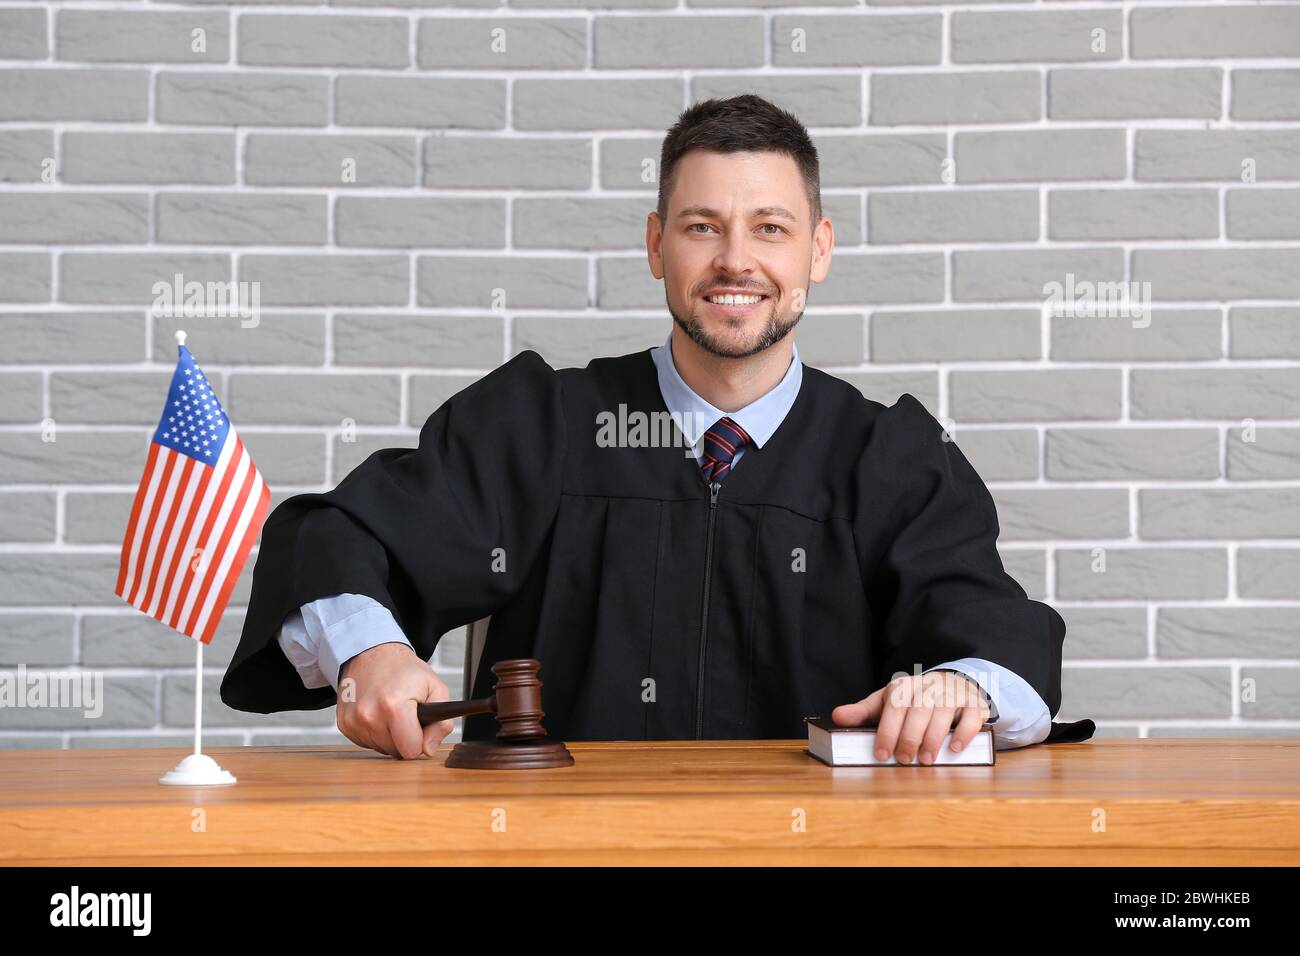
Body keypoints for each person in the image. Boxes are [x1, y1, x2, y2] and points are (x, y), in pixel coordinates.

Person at [221, 94, 1088, 761]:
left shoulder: (887, 460)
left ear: (817, 250)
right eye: (701, 227)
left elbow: (993, 631)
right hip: (555, 858)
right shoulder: (546, 426)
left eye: (771, 229)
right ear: (655, 245)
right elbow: (344, 536)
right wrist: (367, 653)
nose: (736, 261)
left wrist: (957, 690)